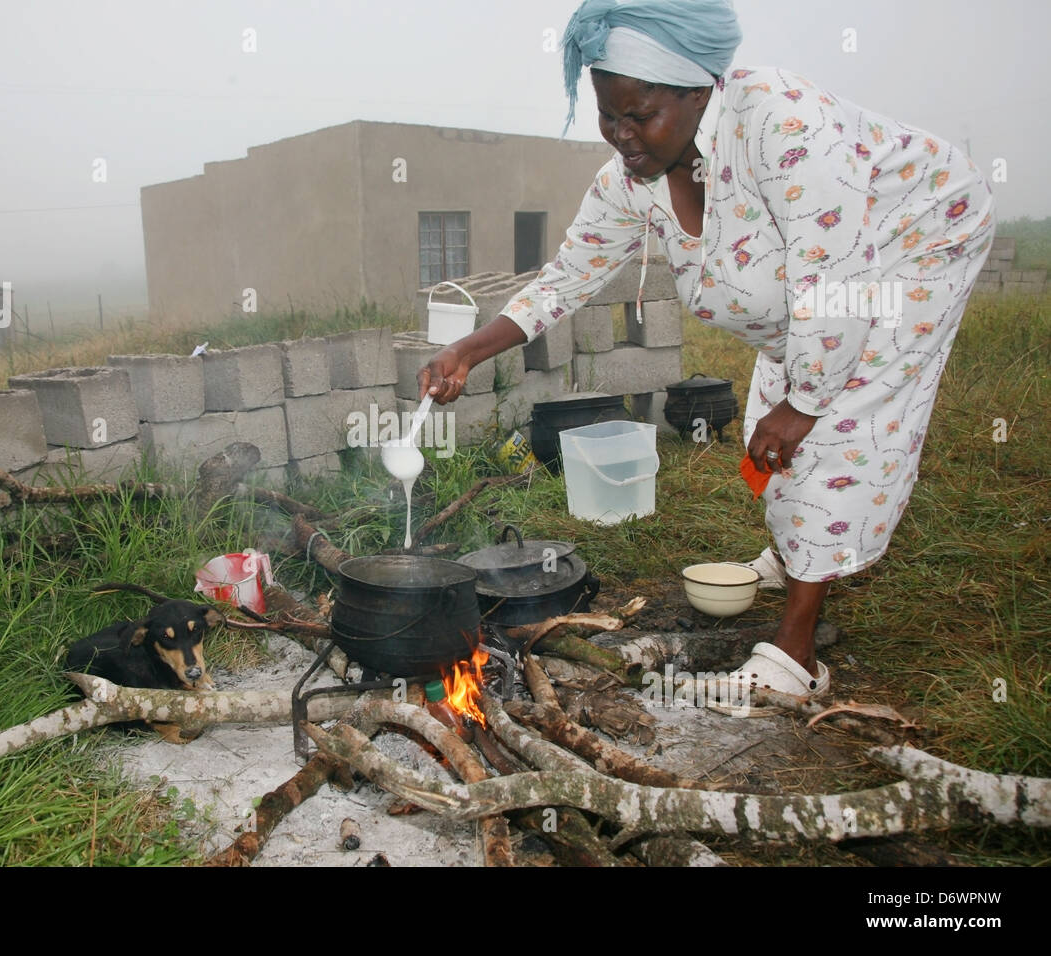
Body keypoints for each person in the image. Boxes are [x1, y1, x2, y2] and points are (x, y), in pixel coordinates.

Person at [417, 0, 994, 706]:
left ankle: (797, 653)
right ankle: (796, 554)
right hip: (819, 287)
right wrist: (470, 349)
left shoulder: (783, 128)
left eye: (640, 115)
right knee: (773, 421)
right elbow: (567, 277)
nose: (622, 137)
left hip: (916, 234)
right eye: (608, 116)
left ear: (698, 90)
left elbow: (833, 281)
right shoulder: (635, 180)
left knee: (845, 422)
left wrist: (808, 402)